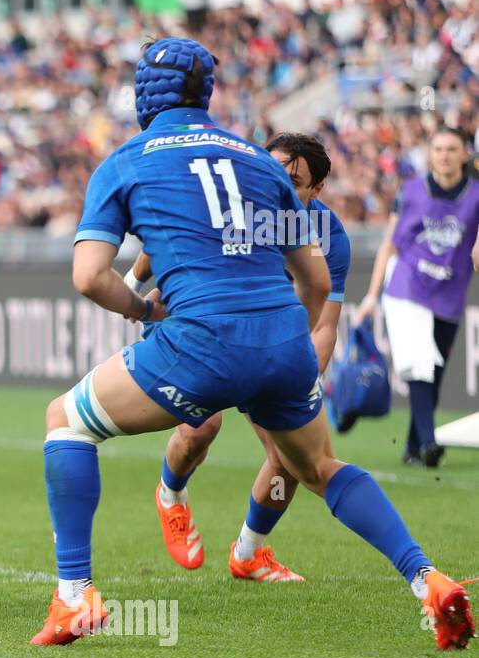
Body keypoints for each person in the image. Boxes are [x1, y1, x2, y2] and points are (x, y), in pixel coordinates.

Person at [34, 37, 473, 650]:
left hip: (200, 340)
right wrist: (289, 336)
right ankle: (426, 578)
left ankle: (75, 596)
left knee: (66, 423)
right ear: (206, 92)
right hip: (284, 339)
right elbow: (316, 280)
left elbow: (88, 276)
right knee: (321, 468)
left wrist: (141, 310)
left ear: (145, 93)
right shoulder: (261, 162)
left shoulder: (126, 160)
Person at [134, 132, 350, 582]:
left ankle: (248, 552)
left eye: (292, 180)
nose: (274, 182)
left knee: (291, 456)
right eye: (269, 170)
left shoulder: (329, 237)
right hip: (196, 321)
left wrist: (304, 381)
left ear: (316, 191)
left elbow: (326, 321)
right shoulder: (236, 201)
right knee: (201, 428)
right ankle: (171, 495)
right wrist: (133, 288)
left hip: (270, 343)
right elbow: (159, 243)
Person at [357, 126, 479, 467]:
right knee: (422, 366)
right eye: (438, 148)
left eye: (452, 149)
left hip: (449, 294)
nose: (444, 155)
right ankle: (428, 442)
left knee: (433, 375)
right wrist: (371, 294)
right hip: (407, 286)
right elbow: (389, 245)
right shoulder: (410, 191)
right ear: (430, 154)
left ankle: (412, 448)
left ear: (464, 154)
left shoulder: (477, 196)